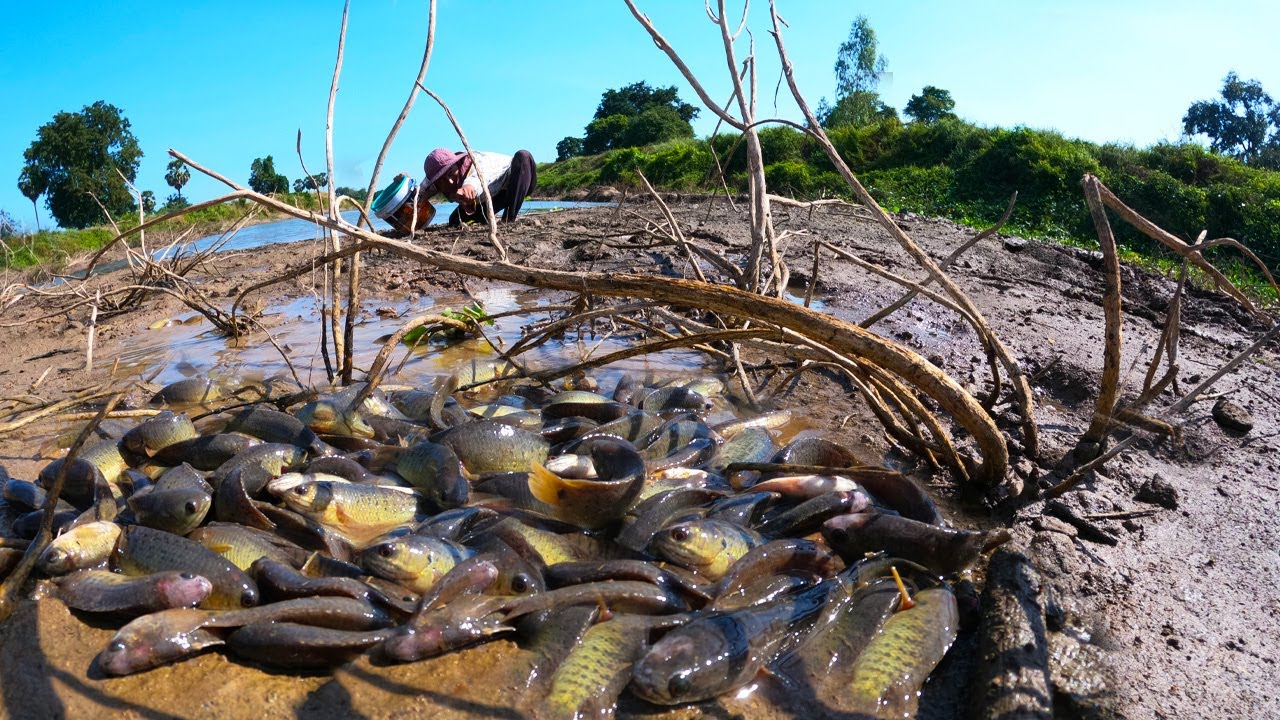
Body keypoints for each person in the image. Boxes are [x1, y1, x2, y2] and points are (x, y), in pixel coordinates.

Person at [422, 148, 538, 227]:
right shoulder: (435, 182)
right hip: (493, 196)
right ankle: (487, 219)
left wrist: (469, 187)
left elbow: (478, 177)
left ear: (457, 164)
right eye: (442, 180)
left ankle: (509, 219)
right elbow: (420, 192)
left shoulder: (479, 162)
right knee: (455, 221)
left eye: (451, 173)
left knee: (523, 156)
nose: (450, 181)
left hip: (519, 182)